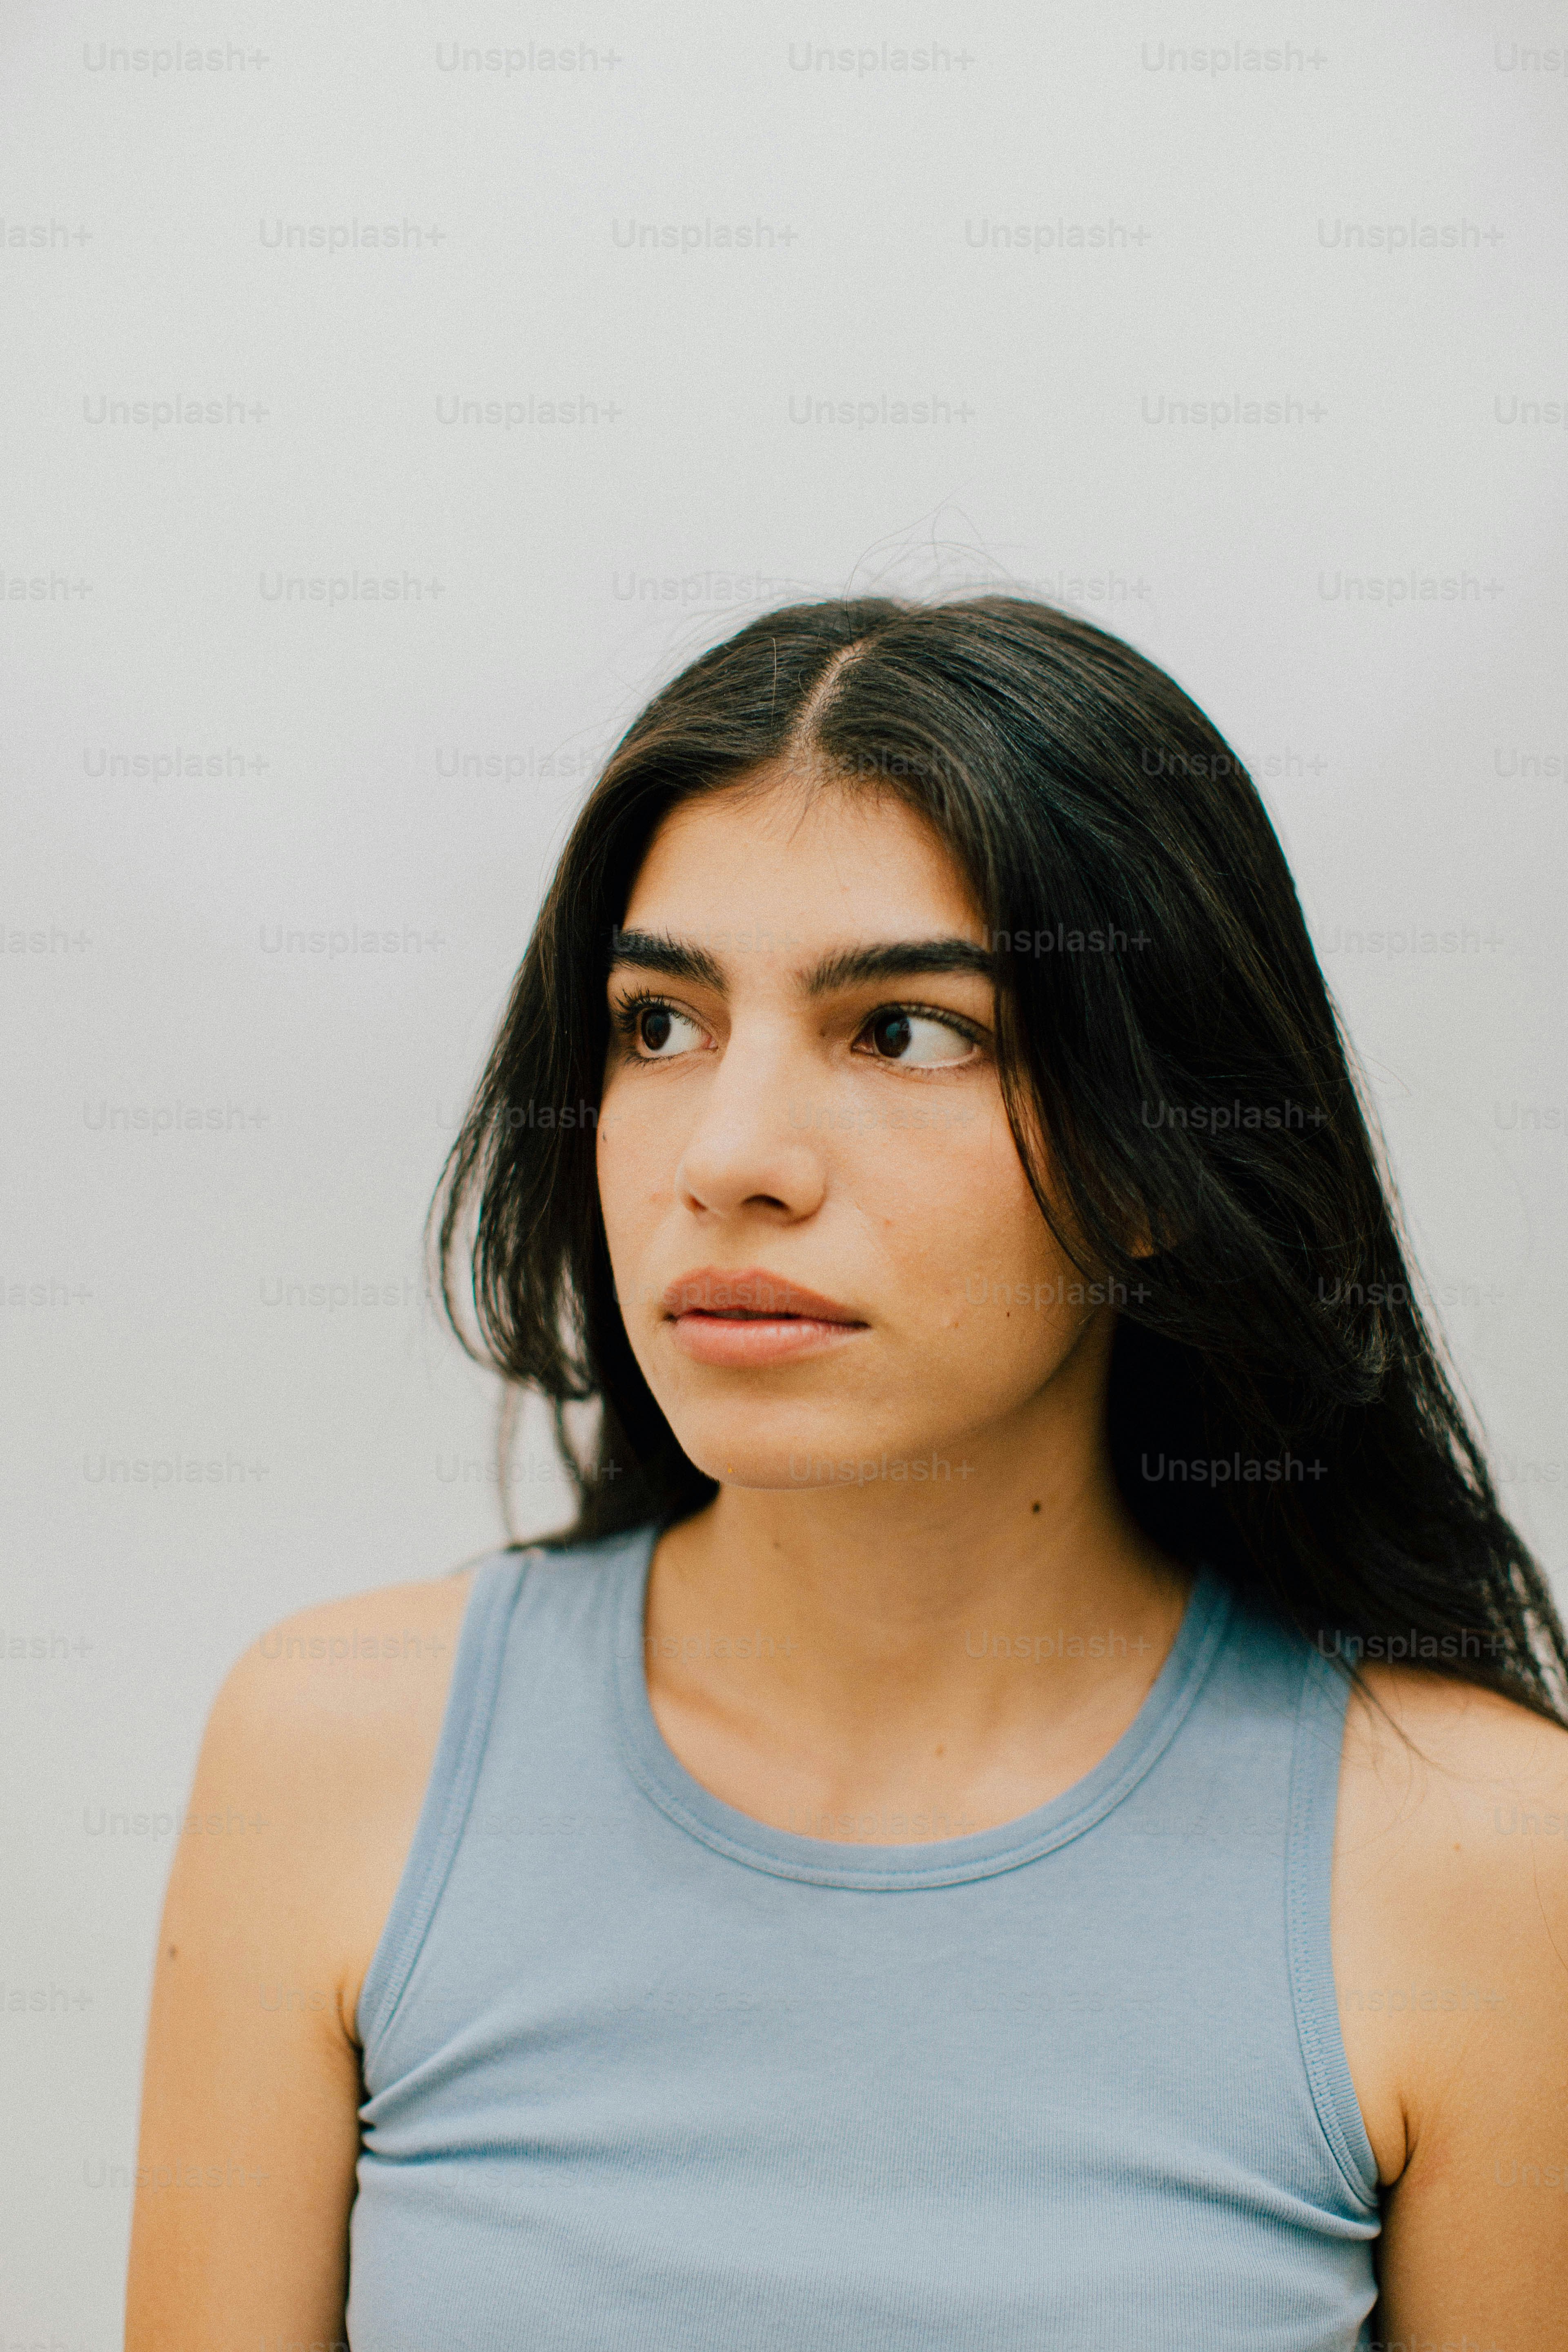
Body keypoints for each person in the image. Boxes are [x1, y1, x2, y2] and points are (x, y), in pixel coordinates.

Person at [126, 598, 1568, 2350]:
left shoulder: (1484, 1859)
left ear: (1156, 1157)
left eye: (905, 1032)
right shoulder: (336, 1753)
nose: (727, 1157)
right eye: (659, 1025)